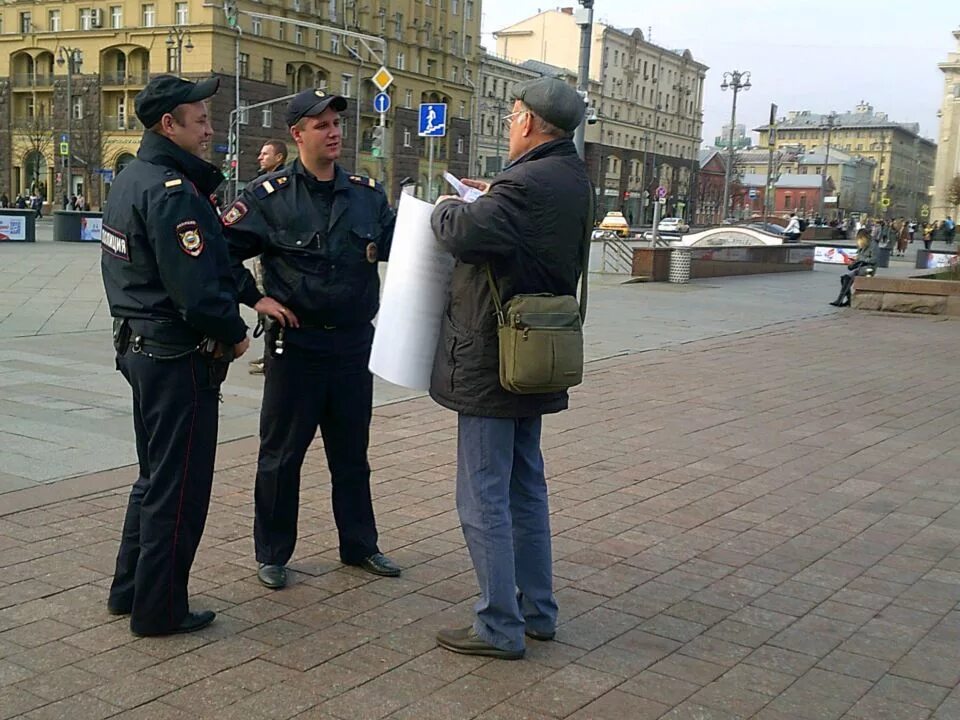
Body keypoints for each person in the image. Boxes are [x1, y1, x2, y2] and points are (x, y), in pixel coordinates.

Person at [429, 77, 591, 660]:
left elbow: (465, 231)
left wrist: (451, 205)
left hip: (495, 357)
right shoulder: (570, 176)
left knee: (483, 495)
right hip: (536, 351)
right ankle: (537, 611)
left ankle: (499, 625)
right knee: (526, 487)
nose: (507, 123)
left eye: (511, 115)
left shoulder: (523, 183)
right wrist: (493, 192)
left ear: (527, 122)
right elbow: (515, 225)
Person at [222, 88, 400, 590]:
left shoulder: (367, 194)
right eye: (320, 125)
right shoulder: (267, 197)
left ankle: (360, 545)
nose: (334, 131)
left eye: (336, 123)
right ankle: (273, 553)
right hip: (295, 348)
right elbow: (216, 251)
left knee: (352, 454)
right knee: (281, 455)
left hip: (350, 346)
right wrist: (253, 298)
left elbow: (402, 250)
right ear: (296, 134)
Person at [100, 74, 250, 637]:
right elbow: (196, 289)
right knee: (179, 487)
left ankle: (130, 588)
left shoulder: (131, 178)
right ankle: (159, 610)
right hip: (175, 358)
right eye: (201, 119)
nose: (211, 129)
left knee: (153, 478)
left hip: (140, 348)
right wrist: (235, 330)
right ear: (170, 124)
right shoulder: (172, 191)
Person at [248, 139, 289, 376]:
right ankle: (268, 353)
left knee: (270, 306)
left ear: (279, 157)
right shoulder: (266, 181)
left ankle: (271, 356)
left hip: (272, 256)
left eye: (265, 154)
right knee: (265, 309)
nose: (260, 157)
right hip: (263, 254)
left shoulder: (275, 185)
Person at [830, 229, 878, 307]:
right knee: (844, 278)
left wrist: (861, 260)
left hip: (868, 268)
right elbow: (859, 257)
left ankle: (841, 300)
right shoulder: (863, 246)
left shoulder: (873, 245)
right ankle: (848, 299)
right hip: (860, 267)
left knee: (847, 278)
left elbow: (874, 259)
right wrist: (854, 261)